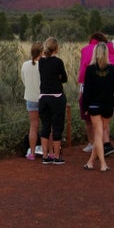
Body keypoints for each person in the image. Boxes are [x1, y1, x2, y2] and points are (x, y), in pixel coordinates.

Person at [78, 32, 114, 156]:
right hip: (107, 103)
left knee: (94, 127)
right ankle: (105, 146)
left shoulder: (87, 59)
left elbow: (85, 86)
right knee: (102, 127)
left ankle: (93, 146)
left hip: (93, 103)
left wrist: (85, 106)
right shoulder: (112, 67)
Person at [38, 37, 69, 165]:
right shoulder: (58, 62)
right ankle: (56, 156)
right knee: (57, 126)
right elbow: (64, 78)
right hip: (56, 96)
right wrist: (58, 78)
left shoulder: (41, 61)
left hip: (43, 97)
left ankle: (45, 156)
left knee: (45, 126)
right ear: (56, 48)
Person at [21, 41, 43, 159]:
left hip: (30, 97)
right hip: (43, 97)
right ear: (42, 52)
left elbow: (23, 80)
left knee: (33, 125)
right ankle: (47, 152)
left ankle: (32, 153)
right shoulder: (44, 64)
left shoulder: (25, 65)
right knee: (46, 125)